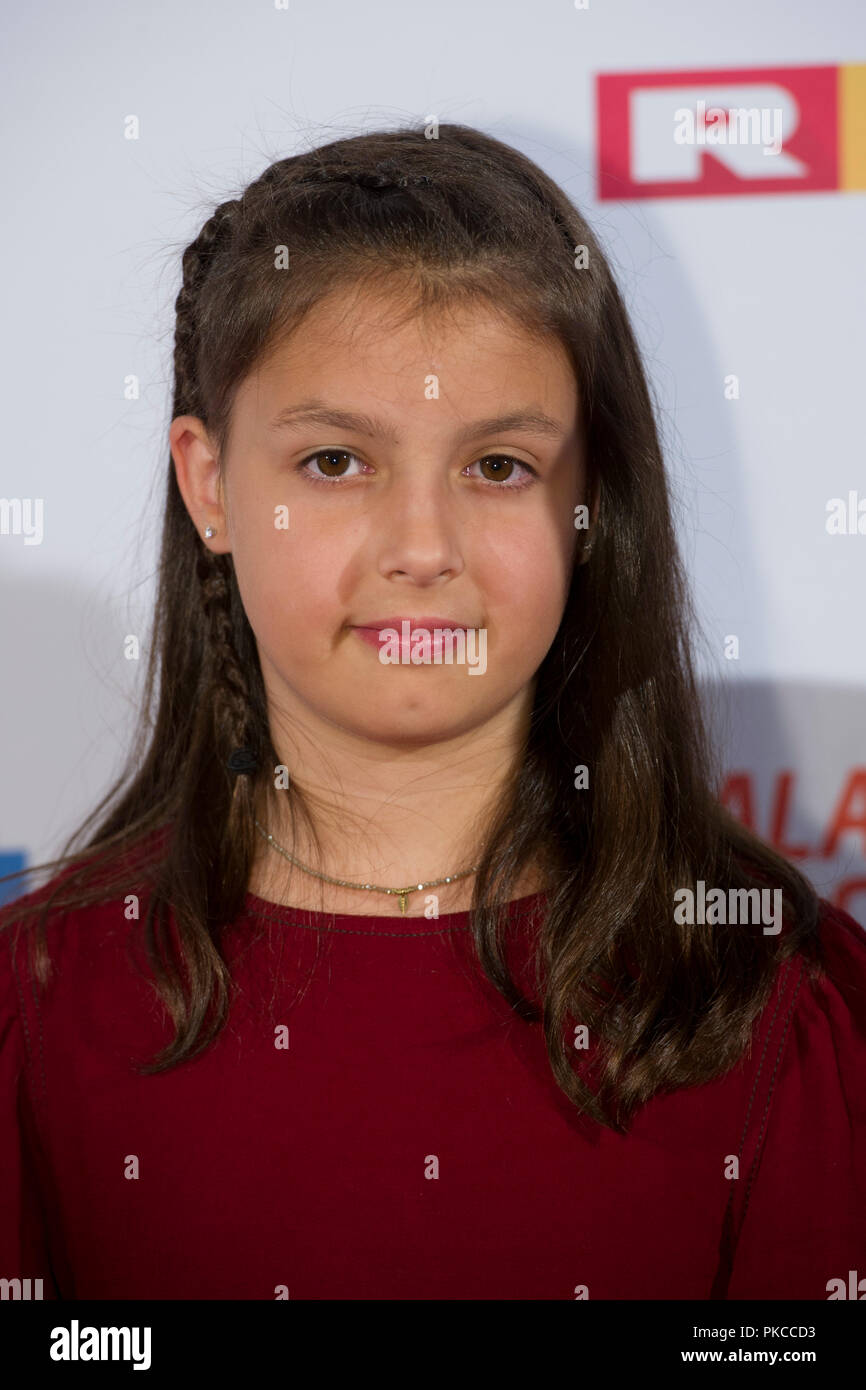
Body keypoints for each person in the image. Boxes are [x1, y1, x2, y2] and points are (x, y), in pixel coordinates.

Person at [1, 124, 864, 1302]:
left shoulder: (767, 994)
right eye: (336, 462)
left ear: (586, 503)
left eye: (497, 467)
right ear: (210, 485)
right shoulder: (36, 1005)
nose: (422, 549)